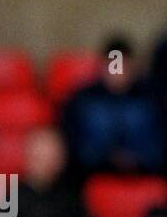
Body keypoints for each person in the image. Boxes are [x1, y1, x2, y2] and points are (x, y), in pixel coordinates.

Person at [63, 37, 163, 177]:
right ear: (102, 65)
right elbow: (74, 144)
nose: (118, 73)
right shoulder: (83, 99)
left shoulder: (152, 98)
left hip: (147, 173)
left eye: (123, 66)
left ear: (133, 67)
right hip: (90, 175)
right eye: (113, 66)